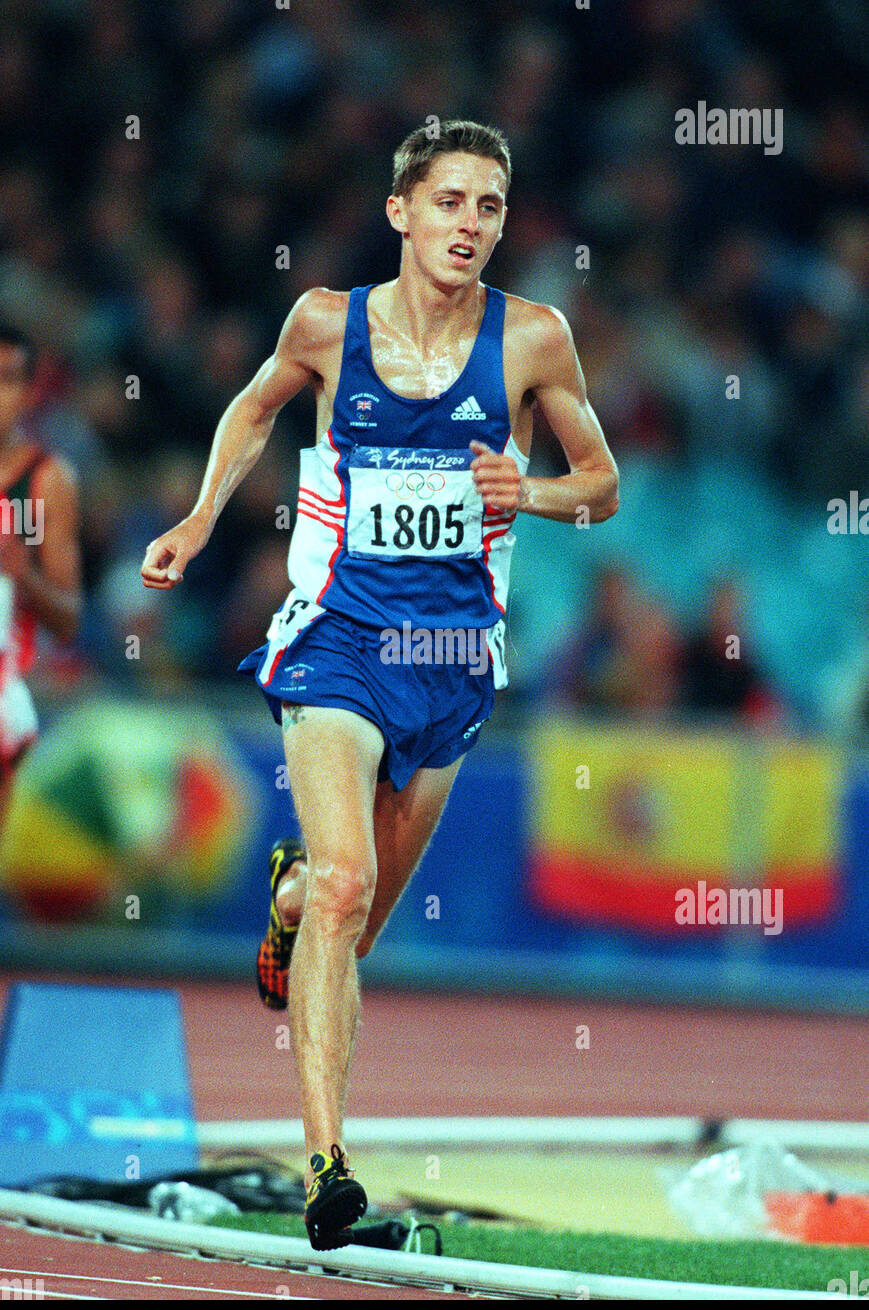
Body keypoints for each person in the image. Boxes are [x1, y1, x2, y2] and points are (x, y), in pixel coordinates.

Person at [141, 120, 619, 1249]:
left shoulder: (533, 341)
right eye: (449, 201)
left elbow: (599, 483)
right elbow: (254, 408)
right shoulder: (324, 322)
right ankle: (327, 1171)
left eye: (490, 207)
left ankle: (289, 898)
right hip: (339, 641)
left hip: (452, 663)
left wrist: (529, 492)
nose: (470, 225)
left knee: (343, 926)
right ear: (401, 210)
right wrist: (203, 517)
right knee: (350, 883)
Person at [0, 323, 81, 830]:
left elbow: (69, 621)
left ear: (29, 394)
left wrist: (21, 575)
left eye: (6, 379)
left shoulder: (46, 479)